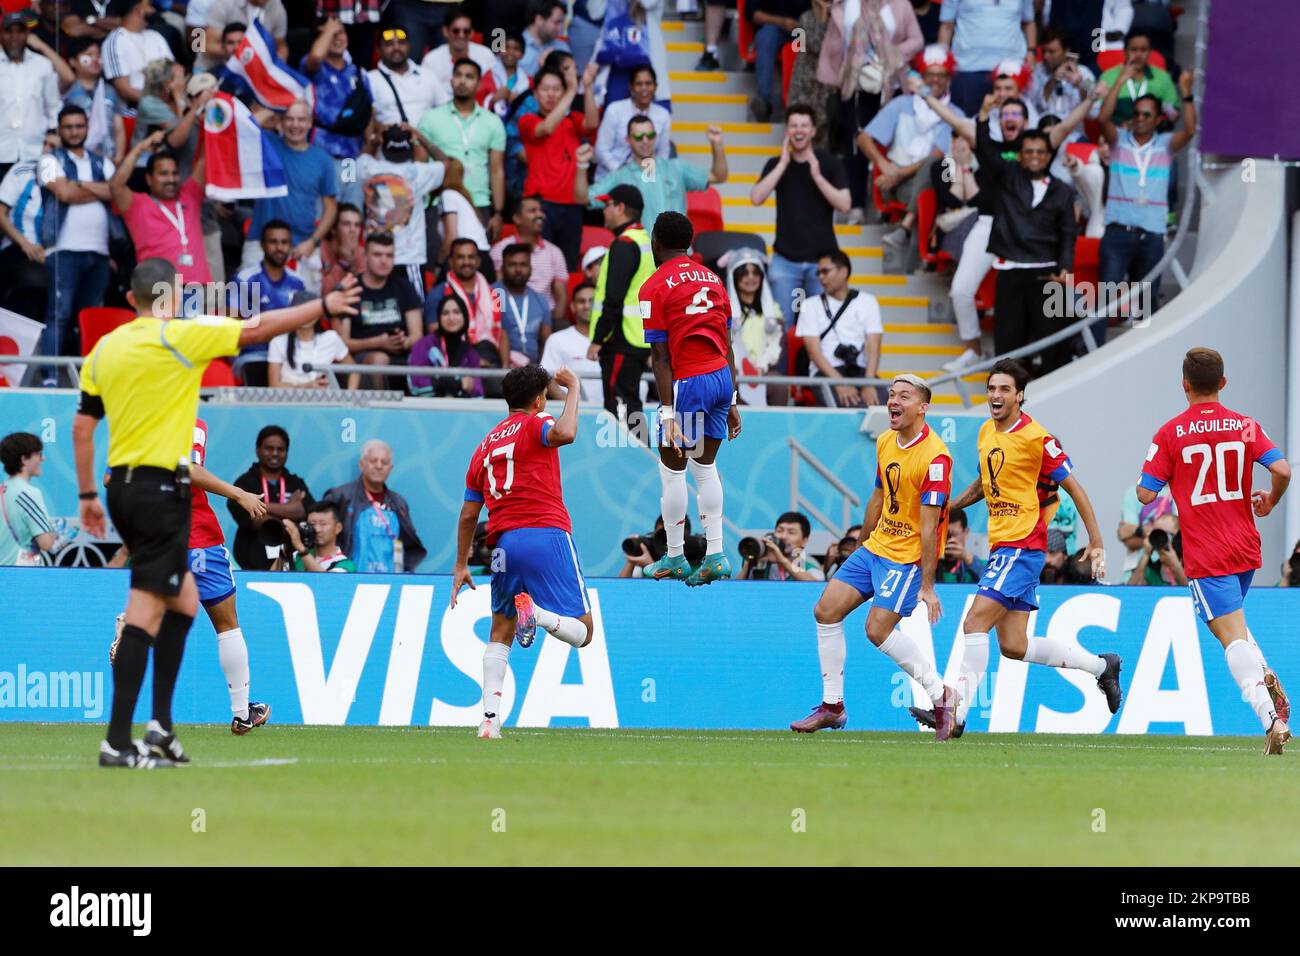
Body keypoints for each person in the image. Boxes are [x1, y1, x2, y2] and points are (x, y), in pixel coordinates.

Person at [73, 257, 359, 767]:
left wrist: (87, 497)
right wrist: (322, 305)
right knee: (150, 612)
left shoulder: (104, 349)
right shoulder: (180, 337)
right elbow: (261, 327)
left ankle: (159, 727)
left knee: (183, 603)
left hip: (122, 490)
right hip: (163, 491)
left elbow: (81, 428)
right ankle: (118, 741)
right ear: (167, 296)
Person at [914, 359, 1120, 738]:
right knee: (1013, 645)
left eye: (1004, 389)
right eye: (992, 388)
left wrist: (1097, 542)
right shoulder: (985, 433)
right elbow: (985, 483)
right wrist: (950, 505)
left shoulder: (1037, 438)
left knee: (974, 622)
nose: (995, 395)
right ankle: (1101, 667)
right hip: (1002, 547)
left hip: (1022, 545)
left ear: (1020, 396)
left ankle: (954, 714)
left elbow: (1076, 488)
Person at [1137, 347, 1292, 755]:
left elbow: (1143, 492)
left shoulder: (1170, 433)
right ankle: (1263, 672)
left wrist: (1170, 476)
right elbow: (1282, 470)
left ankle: (1268, 716)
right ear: (1223, 383)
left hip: (1206, 553)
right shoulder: (1245, 426)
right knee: (1235, 625)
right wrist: (1271, 502)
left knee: (1229, 640)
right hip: (1245, 545)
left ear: (1184, 385)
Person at [790, 375, 960, 737]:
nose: (893, 401)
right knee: (825, 610)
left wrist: (928, 586)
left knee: (877, 629)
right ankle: (833, 706)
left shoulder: (936, 458)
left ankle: (940, 694)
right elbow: (879, 496)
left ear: (922, 407)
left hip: (908, 557)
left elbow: (930, 527)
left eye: (903, 396)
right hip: (876, 548)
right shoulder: (885, 440)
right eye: (891, 395)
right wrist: (862, 545)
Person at [450, 364, 590, 739]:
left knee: (500, 630)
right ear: (540, 397)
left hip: (503, 544)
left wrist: (461, 564)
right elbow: (566, 432)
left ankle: (490, 721)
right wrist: (574, 388)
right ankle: (541, 616)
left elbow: (468, 514)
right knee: (584, 632)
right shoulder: (536, 422)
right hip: (546, 533)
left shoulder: (485, 445)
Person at [111, 416, 275, 733]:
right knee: (227, 625)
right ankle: (242, 713)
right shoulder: (189, 423)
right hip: (197, 536)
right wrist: (238, 493)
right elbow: (190, 470)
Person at [640, 211, 741, 587]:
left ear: (655, 241)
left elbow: (661, 356)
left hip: (690, 379)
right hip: (719, 376)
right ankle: (715, 554)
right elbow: (728, 343)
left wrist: (668, 412)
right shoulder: (714, 279)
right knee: (705, 467)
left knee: (673, 471)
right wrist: (731, 398)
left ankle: (675, 556)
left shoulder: (654, 285)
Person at [1091, 73, 1196, 342]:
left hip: (1151, 234)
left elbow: (1190, 130)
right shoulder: (1118, 141)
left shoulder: (1165, 146)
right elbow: (1102, 118)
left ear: (1158, 119)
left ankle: (1143, 354)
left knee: (1147, 304)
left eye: (1146, 115)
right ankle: (1091, 354)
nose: (1140, 118)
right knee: (1105, 297)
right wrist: (1118, 82)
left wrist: (1185, 93)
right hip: (1117, 232)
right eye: (1137, 113)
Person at [980, 128, 1077, 372]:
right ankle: (1008, 405)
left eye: (1041, 152)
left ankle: (1055, 401)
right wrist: (983, 119)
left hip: (1048, 275)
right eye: (1029, 151)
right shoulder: (1007, 177)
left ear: (1049, 156)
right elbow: (985, 151)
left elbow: (1068, 234)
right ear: (1020, 155)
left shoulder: (1063, 191)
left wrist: (1065, 268)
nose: (1035, 156)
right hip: (1011, 271)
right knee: (1008, 349)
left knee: (1055, 348)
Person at [749, 105, 850, 326]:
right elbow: (756, 198)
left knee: (821, 327)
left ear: (813, 131)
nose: (799, 130)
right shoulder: (776, 163)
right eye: (794, 125)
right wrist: (784, 163)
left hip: (823, 263)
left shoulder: (829, 163)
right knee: (781, 328)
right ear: (787, 130)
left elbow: (845, 205)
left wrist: (818, 177)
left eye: (804, 125)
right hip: (785, 261)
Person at [37, 105, 116, 386]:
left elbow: (115, 191)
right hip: (63, 250)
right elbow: (64, 193)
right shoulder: (48, 161)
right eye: (68, 127)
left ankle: (90, 379)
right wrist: (97, 189)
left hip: (99, 251)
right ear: (59, 130)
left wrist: (79, 183)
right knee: (58, 315)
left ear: (87, 128)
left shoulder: (101, 161)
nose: (74, 132)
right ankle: (49, 378)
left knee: (89, 317)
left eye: (79, 126)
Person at [861, 45, 962, 253]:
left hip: (933, 180)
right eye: (930, 74)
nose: (935, 80)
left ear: (949, 78)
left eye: (941, 75)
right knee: (932, 189)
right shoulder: (901, 104)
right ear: (922, 76)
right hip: (897, 183)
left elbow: (937, 155)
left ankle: (905, 227)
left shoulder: (954, 114)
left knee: (936, 167)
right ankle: (918, 241)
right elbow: (863, 138)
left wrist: (898, 174)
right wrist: (883, 164)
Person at [242, 100, 338, 294]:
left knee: (306, 313)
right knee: (248, 309)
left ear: (310, 122)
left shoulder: (323, 160)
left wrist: (313, 241)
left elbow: (331, 207)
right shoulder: (268, 143)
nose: (295, 125)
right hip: (260, 243)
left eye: (301, 120)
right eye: (290, 119)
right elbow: (243, 129)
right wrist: (271, 108)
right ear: (281, 121)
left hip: (303, 246)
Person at [589, 115, 728, 241]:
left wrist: (717, 144)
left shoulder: (677, 167)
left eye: (649, 135)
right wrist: (581, 164)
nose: (645, 141)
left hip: (678, 252)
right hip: (643, 255)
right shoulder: (619, 176)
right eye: (638, 137)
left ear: (656, 137)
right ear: (628, 139)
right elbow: (586, 197)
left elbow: (718, 176)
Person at [518, 59, 599, 271]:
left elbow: (591, 123)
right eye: (545, 89)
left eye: (556, 89)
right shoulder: (527, 120)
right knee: (539, 267)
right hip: (540, 204)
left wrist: (587, 87)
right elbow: (546, 128)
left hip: (572, 204)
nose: (551, 94)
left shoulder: (572, 121)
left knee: (568, 267)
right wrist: (571, 91)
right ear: (535, 93)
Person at [110, 131, 212, 288]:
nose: (171, 179)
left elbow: (205, 159)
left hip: (196, 286)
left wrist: (212, 121)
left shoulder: (190, 194)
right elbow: (115, 185)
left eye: (174, 173)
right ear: (149, 178)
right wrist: (140, 149)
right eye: (164, 174)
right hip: (156, 287)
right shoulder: (137, 204)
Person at [587, 183, 653, 422]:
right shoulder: (644, 240)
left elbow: (613, 298)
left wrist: (598, 339)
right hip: (637, 337)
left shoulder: (624, 244)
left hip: (620, 339)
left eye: (607, 205)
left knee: (619, 407)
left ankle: (632, 457)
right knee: (630, 403)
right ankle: (640, 456)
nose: (603, 210)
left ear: (621, 208)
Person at [417, 56, 505, 233]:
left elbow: (497, 170)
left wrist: (498, 212)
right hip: (439, 200)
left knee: (476, 259)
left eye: (469, 77)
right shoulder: (430, 118)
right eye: (458, 75)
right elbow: (420, 167)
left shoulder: (493, 121)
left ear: (479, 84)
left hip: (479, 201)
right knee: (439, 259)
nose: (462, 81)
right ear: (451, 81)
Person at [357, 125, 444, 291]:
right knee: (415, 313)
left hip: (376, 256)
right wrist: (419, 137)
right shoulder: (420, 172)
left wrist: (375, 140)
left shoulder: (369, 168)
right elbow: (448, 163)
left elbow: (350, 168)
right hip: (410, 258)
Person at [794, 249, 883, 408]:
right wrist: (839, 383)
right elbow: (814, 353)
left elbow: (874, 346)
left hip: (860, 371)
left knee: (891, 407)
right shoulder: (809, 305)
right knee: (853, 406)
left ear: (843, 272)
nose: (821, 277)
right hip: (826, 373)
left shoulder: (868, 301)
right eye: (819, 273)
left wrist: (869, 383)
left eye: (826, 271)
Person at [323, 439, 427, 573]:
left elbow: (408, 544)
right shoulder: (341, 497)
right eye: (373, 461)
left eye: (384, 462)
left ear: (391, 468)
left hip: (390, 583)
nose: (379, 466)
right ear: (361, 464)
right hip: (349, 581)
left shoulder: (399, 504)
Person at [336, 231, 424, 388]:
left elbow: (417, 335)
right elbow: (342, 343)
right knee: (380, 359)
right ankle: (380, 411)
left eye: (389, 255)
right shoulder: (351, 289)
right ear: (365, 256)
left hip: (402, 356)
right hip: (363, 359)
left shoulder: (404, 286)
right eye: (377, 255)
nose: (384, 261)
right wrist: (378, 342)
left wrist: (405, 342)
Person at [302, 17, 372, 210]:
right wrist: (329, 29)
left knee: (349, 210)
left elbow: (368, 113)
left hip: (351, 157)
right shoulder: (313, 68)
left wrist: (366, 151)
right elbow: (316, 56)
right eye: (331, 34)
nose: (338, 38)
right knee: (321, 211)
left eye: (341, 32)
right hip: (321, 154)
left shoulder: (358, 73)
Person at [228, 424, 314, 570]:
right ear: (257, 450)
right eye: (269, 448)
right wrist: (289, 509)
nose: (275, 453)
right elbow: (247, 517)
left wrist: (260, 506)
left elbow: (303, 511)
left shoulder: (295, 482)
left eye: (280, 449)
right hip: (251, 564)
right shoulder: (244, 482)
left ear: (287, 452)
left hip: (291, 564)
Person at [232, 219, 307, 384]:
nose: (279, 248)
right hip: (255, 355)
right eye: (273, 242)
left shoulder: (298, 282)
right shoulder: (246, 279)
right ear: (263, 245)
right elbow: (233, 325)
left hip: (290, 357)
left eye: (284, 242)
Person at [936, 0, 1035, 116]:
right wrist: (941, 61)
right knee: (967, 124)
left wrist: (1031, 51)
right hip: (967, 67)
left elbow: (1029, 22)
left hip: (1012, 68)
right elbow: (947, 26)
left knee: (1013, 122)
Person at [427, 237, 510, 370]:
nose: (466, 262)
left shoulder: (497, 293)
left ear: (478, 261)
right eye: (460, 257)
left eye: (471, 257)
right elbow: (436, 334)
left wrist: (505, 369)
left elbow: (503, 332)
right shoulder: (437, 293)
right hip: (455, 360)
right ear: (451, 262)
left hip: (491, 358)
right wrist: (474, 360)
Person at [0, 12, 63, 183]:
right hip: (2, 152)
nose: (14, 37)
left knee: (36, 205)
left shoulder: (43, 65)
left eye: (20, 31)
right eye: (8, 31)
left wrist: (51, 135)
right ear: (1, 34)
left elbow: (53, 107)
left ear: (27, 34)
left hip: (36, 151)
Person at [490, 195, 568, 323]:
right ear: (517, 218)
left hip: (545, 318)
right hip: (512, 318)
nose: (540, 215)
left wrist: (554, 324)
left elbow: (561, 296)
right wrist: (500, 323)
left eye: (541, 211)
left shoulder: (554, 252)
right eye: (532, 211)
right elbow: (498, 289)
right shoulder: (501, 249)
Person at [723, 248, 786, 407]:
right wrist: (740, 368)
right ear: (734, 277)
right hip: (734, 370)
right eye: (744, 273)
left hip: (763, 370)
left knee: (778, 384)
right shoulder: (724, 311)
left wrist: (761, 367)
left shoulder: (774, 311)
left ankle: (776, 430)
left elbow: (775, 346)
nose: (751, 277)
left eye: (755, 273)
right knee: (727, 383)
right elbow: (725, 345)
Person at [593, 64, 670, 180]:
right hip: (611, 177)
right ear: (631, 87)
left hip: (645, 179)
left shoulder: (663, 115)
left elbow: (663, 154)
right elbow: (601, 150)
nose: (644, 88)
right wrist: (622, 173)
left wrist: (646, 178)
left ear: (655, 87)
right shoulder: (615, 110)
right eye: (639, 84)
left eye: (648, 83)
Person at [1096, 28, 1179, 126]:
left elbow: (1174, 116)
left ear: (1150, 51)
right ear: (1125, 51)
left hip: (1153, 136)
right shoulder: (1108, 77)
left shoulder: (1163, 78)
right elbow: (1102, 117)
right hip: (1116, 135)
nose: (1138, 55)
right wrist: (1119, 82)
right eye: (1134, 49)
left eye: (1143, 50)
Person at [101, 0, 173, 113]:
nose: (153, 10)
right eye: (149, 5)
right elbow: (124, 89)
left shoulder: (155, 36)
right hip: (135, 110)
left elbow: (174, 69)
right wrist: (157, 105)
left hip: (166, 103)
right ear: (137, 9)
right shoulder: (115, 41)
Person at [747, 0, 811, 122]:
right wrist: (781, 22)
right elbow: (752, 13)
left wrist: (802, 24)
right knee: (765, 38)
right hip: (773, 25)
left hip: (802, 29)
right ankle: (764, 102)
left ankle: (800, 105)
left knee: (806, 47)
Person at [409, 293, 483, 397]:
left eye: (456, 312)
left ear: (465, 317)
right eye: (445, 313)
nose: (451, 318)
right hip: (429, 409)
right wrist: (457, 383)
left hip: (461, 411)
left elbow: (477, 392)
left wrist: (440, 383)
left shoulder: (471, 354)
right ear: (439, 318)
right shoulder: (424, 345)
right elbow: (417, 385)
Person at [0, 432, 57, 566]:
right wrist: (57, 535)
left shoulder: (3, 489)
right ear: (24, 459)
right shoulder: (29, 493)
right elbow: (46, 543)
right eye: (38, 454)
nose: (43, 459)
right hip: (23, 574)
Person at [540, 281, 602, 404]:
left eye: (592, 301)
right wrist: (572, 406)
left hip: (612, 411)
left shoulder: (613, 339)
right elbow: (546, 378)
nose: (587, 306)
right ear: (572, 307)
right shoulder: (557, 339)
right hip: (574, 414)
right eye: (581, 301)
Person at [368, 26, 440, 128]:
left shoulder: (428, 75)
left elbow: (446, 109)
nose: (396, 48)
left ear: (409, 46)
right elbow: (366, 119)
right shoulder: (369, 79)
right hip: (390, 141)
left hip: (427, 141)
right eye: (389, 44)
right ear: (378, 50)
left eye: (401, 42)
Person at [495, 243, 552, 364]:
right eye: (512, 265)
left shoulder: (540, 299)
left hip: (532, 368)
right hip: (502, 365)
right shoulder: (497, 293)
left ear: (531, 269)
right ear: (502, 268)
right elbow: (497, 331)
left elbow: (546, 344)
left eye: (523, 265)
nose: (518, 270)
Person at [267, 308, 351, 388]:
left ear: (319, 314)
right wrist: (306, 386)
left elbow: (354, 370)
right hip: (288, 401)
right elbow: (274, 384)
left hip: (323, 400)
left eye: (310, 311)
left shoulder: (331, 337)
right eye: (301, 311)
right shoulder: (278, 341)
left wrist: (350, 396)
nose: (306, 315)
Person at [738, 511, 826, 582]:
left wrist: (781, 560)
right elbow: (734, 592)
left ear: (804, 541)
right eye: (779, 531)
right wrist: (749, 563)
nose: (783, 536)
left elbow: (813, 585)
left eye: (791, 532)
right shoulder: (761, 566)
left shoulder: (812, 569)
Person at [420, 7, 495, 88]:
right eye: (456, 31)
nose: (461, 35)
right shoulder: (431, 60)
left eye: (466, 31)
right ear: (445, 31)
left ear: (472, 33)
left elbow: (492, 90)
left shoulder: (486, 55)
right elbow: (426, 92)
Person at [281, 501, 356, 571]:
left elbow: (325, 582)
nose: (317, 530)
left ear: (338, 528)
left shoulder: (346, 565)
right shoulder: (297, 556)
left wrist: (301, 548)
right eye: (312, 524)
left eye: (323, 524)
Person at [519, 0, 569, 75]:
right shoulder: (515, 47)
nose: (560, 29)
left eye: (561, 23)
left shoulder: (562, 48)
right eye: (556, 22)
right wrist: (544, 68)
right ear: (539, 20)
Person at [937, 507, 984, 583]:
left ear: (966, 532)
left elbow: (992, 586)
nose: (949, 540)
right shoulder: (928, 565)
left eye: (954, 534)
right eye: (944, 535)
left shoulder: (979, 564)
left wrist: (969, 560)